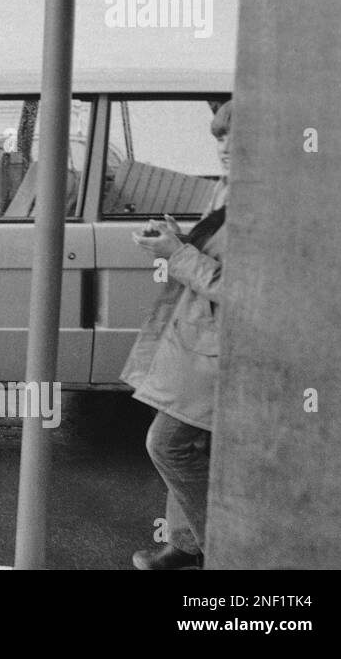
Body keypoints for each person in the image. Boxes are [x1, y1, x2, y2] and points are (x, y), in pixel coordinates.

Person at [121, 100, 232, 570]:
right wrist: (178, 241)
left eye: (234, 137)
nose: (224, 148)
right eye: (219, 137)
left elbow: (245, 289)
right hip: (196, 342)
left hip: (221, 350)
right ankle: (186, 545)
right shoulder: (230, 188)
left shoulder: (270, 202)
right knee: (187, 444)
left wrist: (177, 253)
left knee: (168, 444)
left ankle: (221, 549)